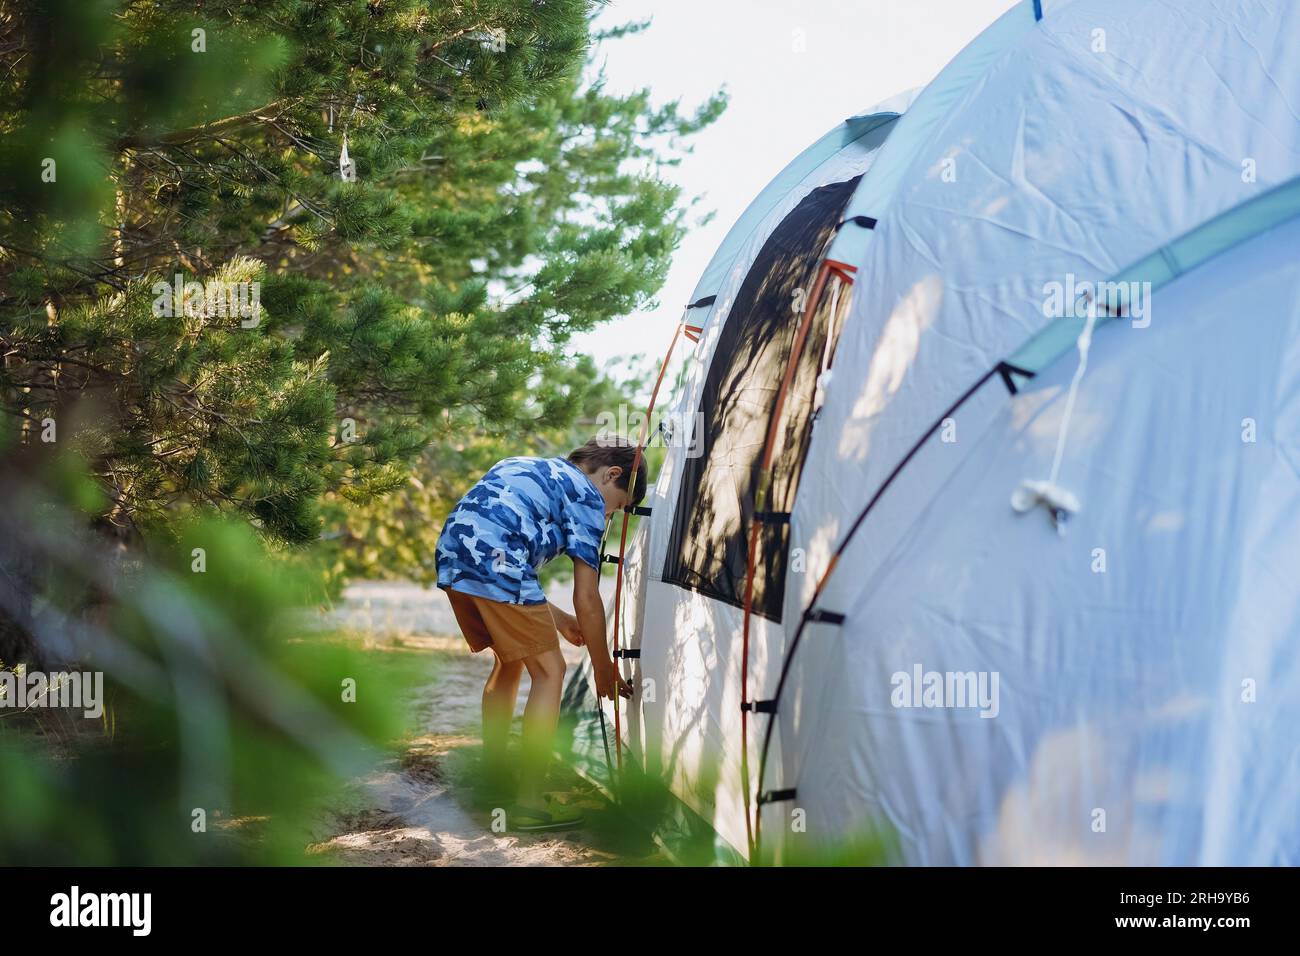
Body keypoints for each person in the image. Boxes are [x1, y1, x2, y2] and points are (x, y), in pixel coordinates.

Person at [436, 436, 639, 831]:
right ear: (611, 475)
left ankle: (494, 784)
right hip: (498, 565)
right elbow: (588, 597)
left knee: (509, 662)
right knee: (550, 671)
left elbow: (495, 544)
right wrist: (603, 668)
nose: (611, 515)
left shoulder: (526, 465)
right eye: (619, 504)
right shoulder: (588, 498)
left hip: (453, 553)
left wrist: (559, 619)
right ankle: (529, 804)